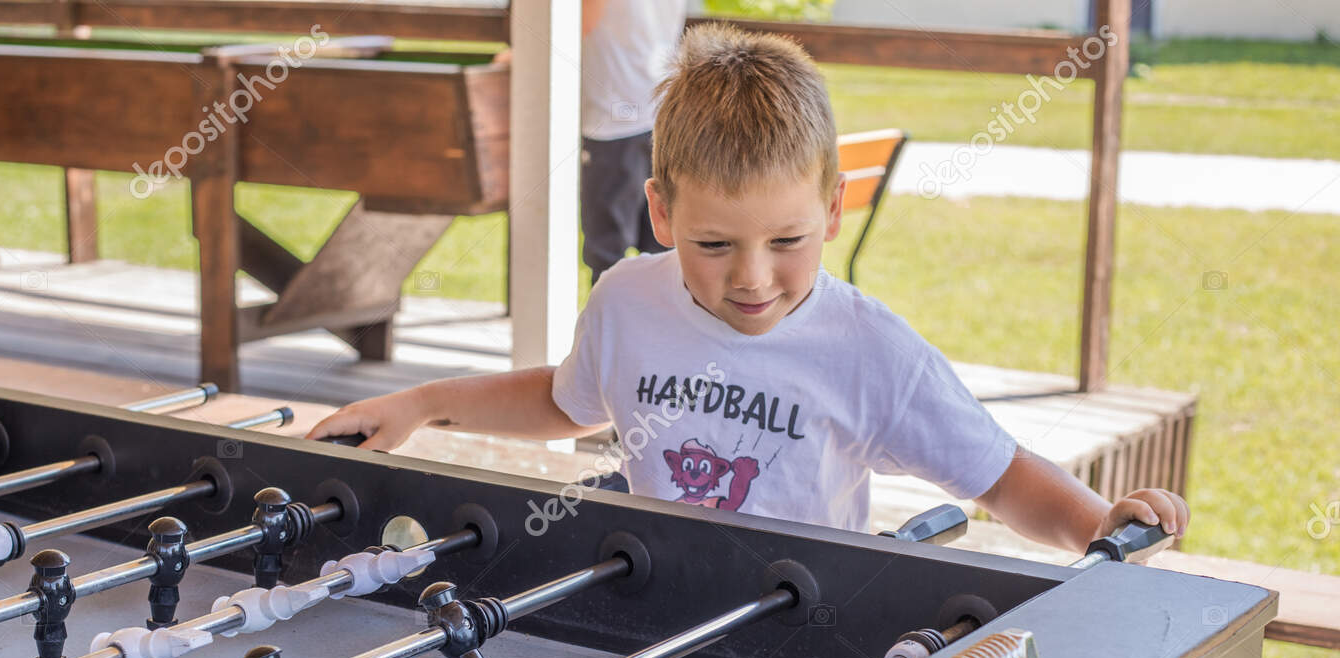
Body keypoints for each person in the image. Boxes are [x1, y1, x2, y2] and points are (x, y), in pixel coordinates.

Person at [308, 25, 1189, 553]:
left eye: (788, 240)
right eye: (715, 243)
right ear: (660, 211)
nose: (753, 278)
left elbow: (1000, 478)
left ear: (834, 209)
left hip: (801, 623)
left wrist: (1098, 522)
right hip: (640, 595)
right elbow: (564, 399)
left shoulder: (871, 351)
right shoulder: (625, 301)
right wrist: (423, 403)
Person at [578, 0, 685, 283]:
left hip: (613, 114)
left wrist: (520, 55)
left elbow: (578, 24)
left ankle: (609, 325)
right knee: (663, 245)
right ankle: (658, 324)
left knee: (606, 252)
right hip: (661, 108)